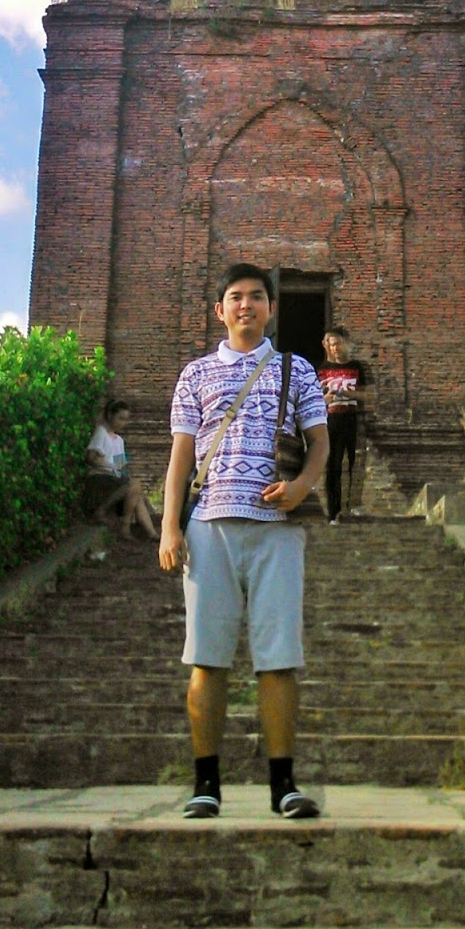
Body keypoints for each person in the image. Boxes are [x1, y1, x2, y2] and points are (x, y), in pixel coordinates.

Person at [159, 262, 329, 819]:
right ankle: (205, 784)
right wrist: (169, 525)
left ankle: (283, 784)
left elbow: (320, 443)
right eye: (235, 297)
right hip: (209, 524)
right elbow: (182, 454)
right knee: (206, 659)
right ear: (220, 309)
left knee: (278, 660)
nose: (246, 306)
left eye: (257, 297)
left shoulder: (296, 369)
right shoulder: (196, 374)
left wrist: (302, 486)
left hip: (277, 529)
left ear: (272, 309)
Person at [316, 326, 370, 524]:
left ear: (344, 344)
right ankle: (334, 513)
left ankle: (354, 507)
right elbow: (312, 400)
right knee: (333, 467)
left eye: (338, 344)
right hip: (331, 423)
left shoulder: (356, 367)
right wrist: (325, 398)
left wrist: (348, 394)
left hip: (353, 420)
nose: (335, 348)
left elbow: (366, 394)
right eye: (331, 345)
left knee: (355, 466)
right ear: (326, 346)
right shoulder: (321, 370)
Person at [83, 400, 158, 540]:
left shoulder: (119, 441)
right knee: (135, 484)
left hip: (115, 480)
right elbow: (90, 458)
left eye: (125, 419)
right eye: (120, 418)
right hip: (100, 479)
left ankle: (151, 533)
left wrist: (121, 473)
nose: (123, 423)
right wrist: (111, 467)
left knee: (137, 493)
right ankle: (118, 522)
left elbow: (121, 467)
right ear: (110, 415)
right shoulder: (101, 433)